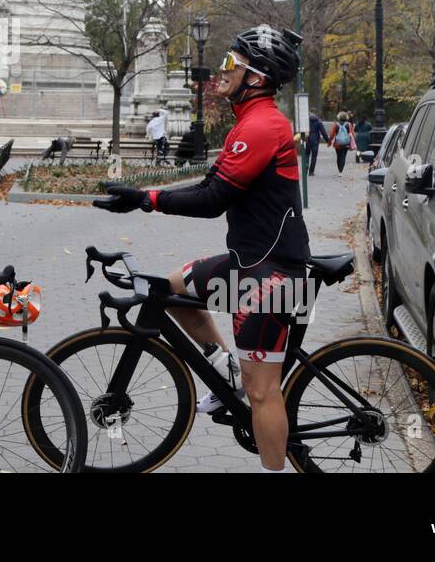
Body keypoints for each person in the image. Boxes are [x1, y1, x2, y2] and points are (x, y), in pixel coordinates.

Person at [94, 25, 310, 473]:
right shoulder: (249, 124)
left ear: (256, 76)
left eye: (232, 63)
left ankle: (274, 467)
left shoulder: (264, 125)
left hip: (273, 276)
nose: (221, 71)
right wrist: (142, 195)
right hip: (247, 265)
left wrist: (146, 200)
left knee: (262, 392)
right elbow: (213, 185)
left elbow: (213, 201)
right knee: (172, 290)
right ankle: (222, 366)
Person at [306, 111, 329, 176]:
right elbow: (323, 132)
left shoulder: (306, 121)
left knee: (306, 155)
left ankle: (305, 168)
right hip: (315, 140)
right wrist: (328, 141)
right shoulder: (319, 122)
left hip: (307, 139)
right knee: (314, 157)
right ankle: (311, 172)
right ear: (316, 114)